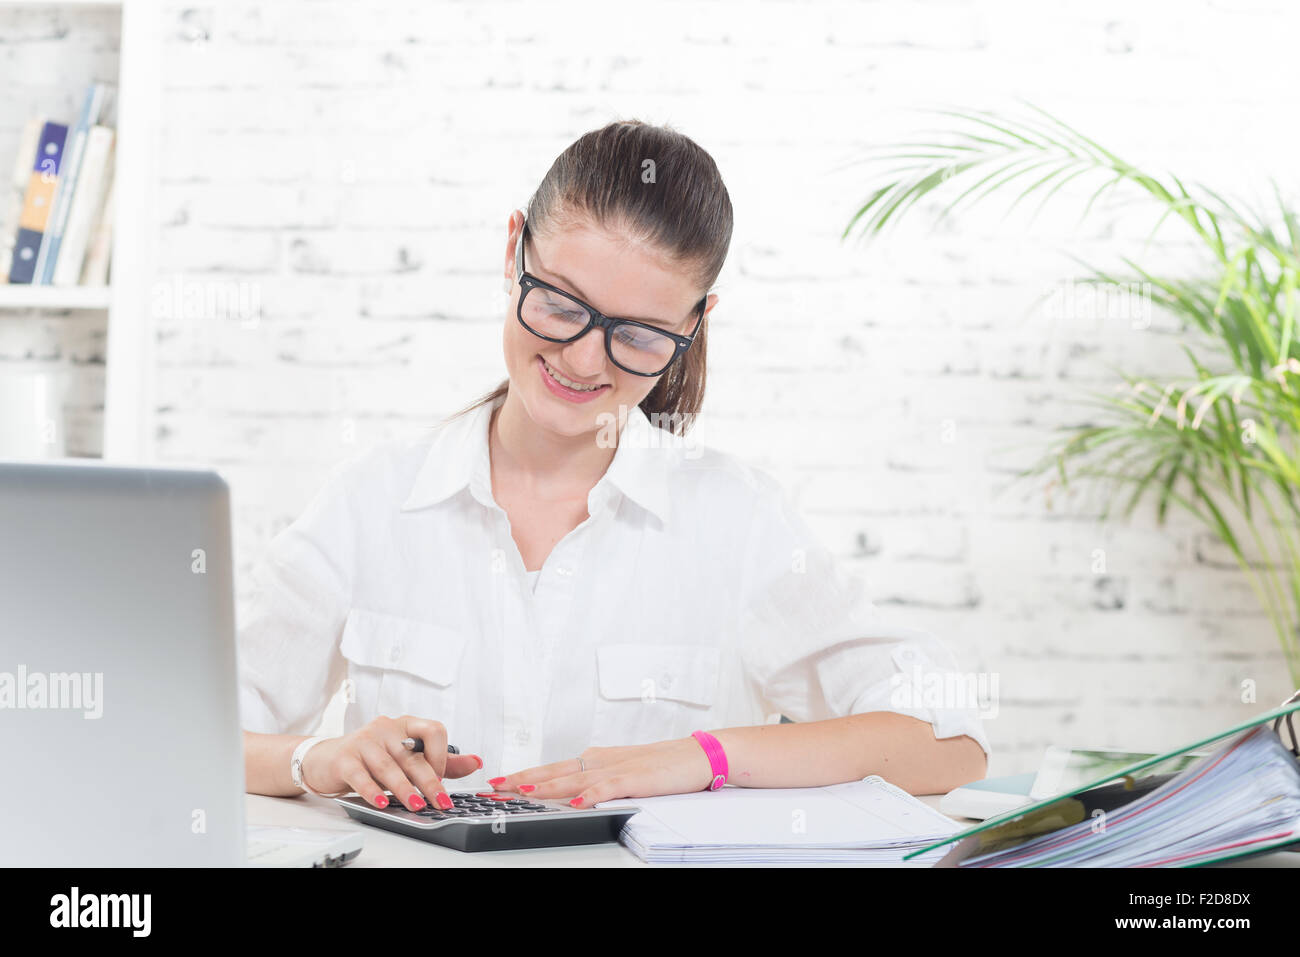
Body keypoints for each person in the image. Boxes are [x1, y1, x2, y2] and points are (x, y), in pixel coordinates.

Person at [240, 119, 989, 814]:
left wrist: (700, 757)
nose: (583, 358)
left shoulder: (737, 520)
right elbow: (193, 726)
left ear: (694, 326)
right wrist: (319, 757)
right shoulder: (371, 502)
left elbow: (948, 737)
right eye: (563, 305)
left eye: (637, 333)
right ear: (513, 253)